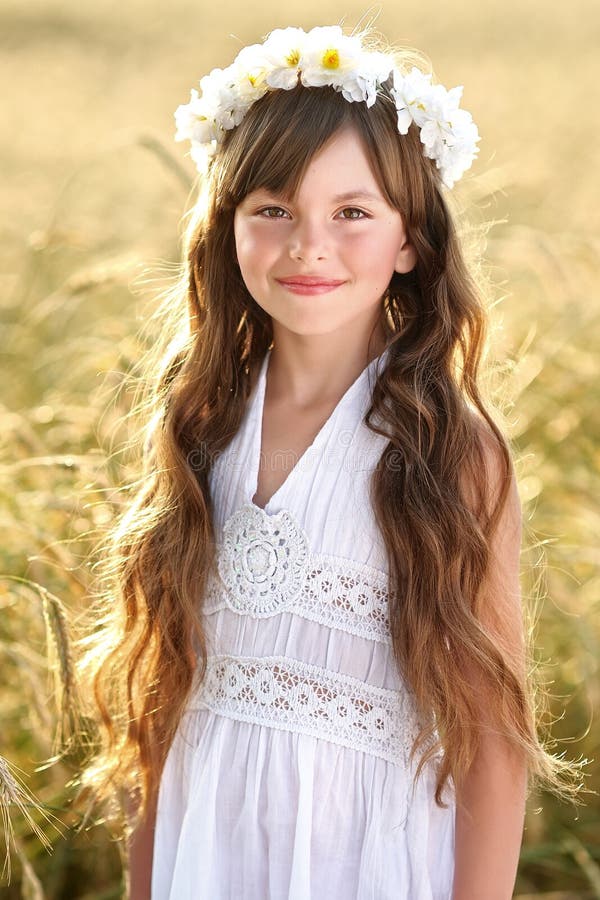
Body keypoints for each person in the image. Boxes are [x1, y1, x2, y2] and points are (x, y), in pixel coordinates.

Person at [74, 24, 584, 900]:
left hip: (364, 862)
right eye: (272, 209)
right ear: (227, 231)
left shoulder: (447, 448)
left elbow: (493, 743)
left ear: (411, 241)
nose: (310, 245)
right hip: (207, 856)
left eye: (352, 213)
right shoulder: (198, 424)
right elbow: (162, 711)